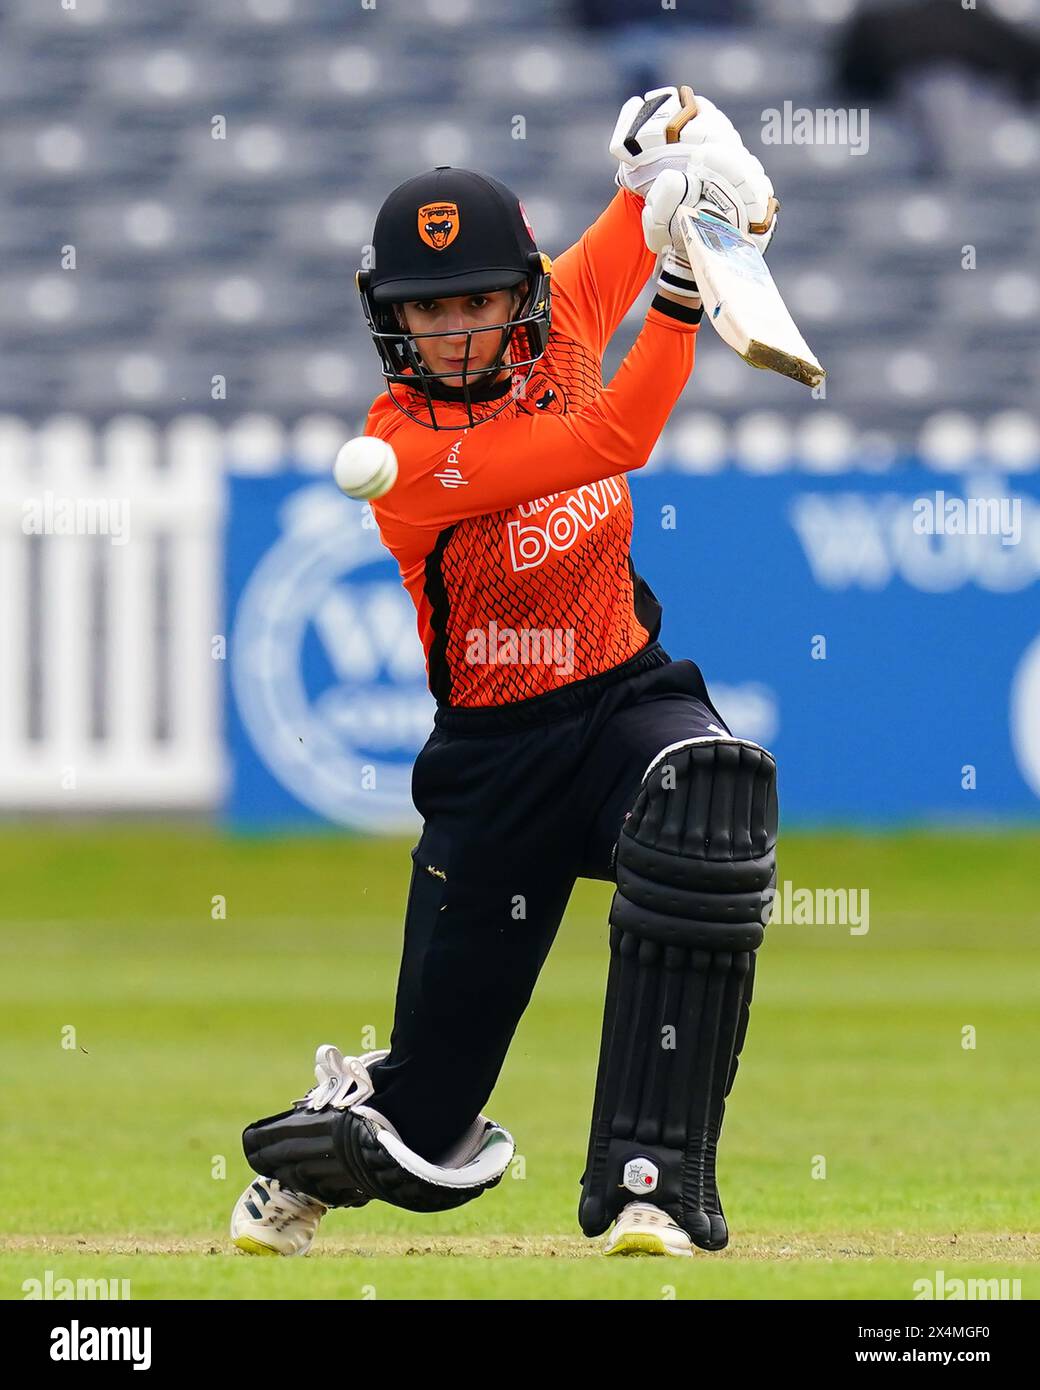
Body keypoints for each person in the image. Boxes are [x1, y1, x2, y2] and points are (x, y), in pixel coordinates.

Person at [231, 88, 780, 1259]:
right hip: (498, 764)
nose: (459, 333)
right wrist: (684, 293)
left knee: (704, 797)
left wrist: (677, 158)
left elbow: (638, 218)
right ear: (390, 325)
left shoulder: (568, 311)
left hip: (626, 694)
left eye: (479, 301)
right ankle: (321, 1147)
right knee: (427, 1128)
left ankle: (652, 1183)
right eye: (428, 313)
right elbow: (611, 439)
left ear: (522, 291)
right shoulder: (408, 453)